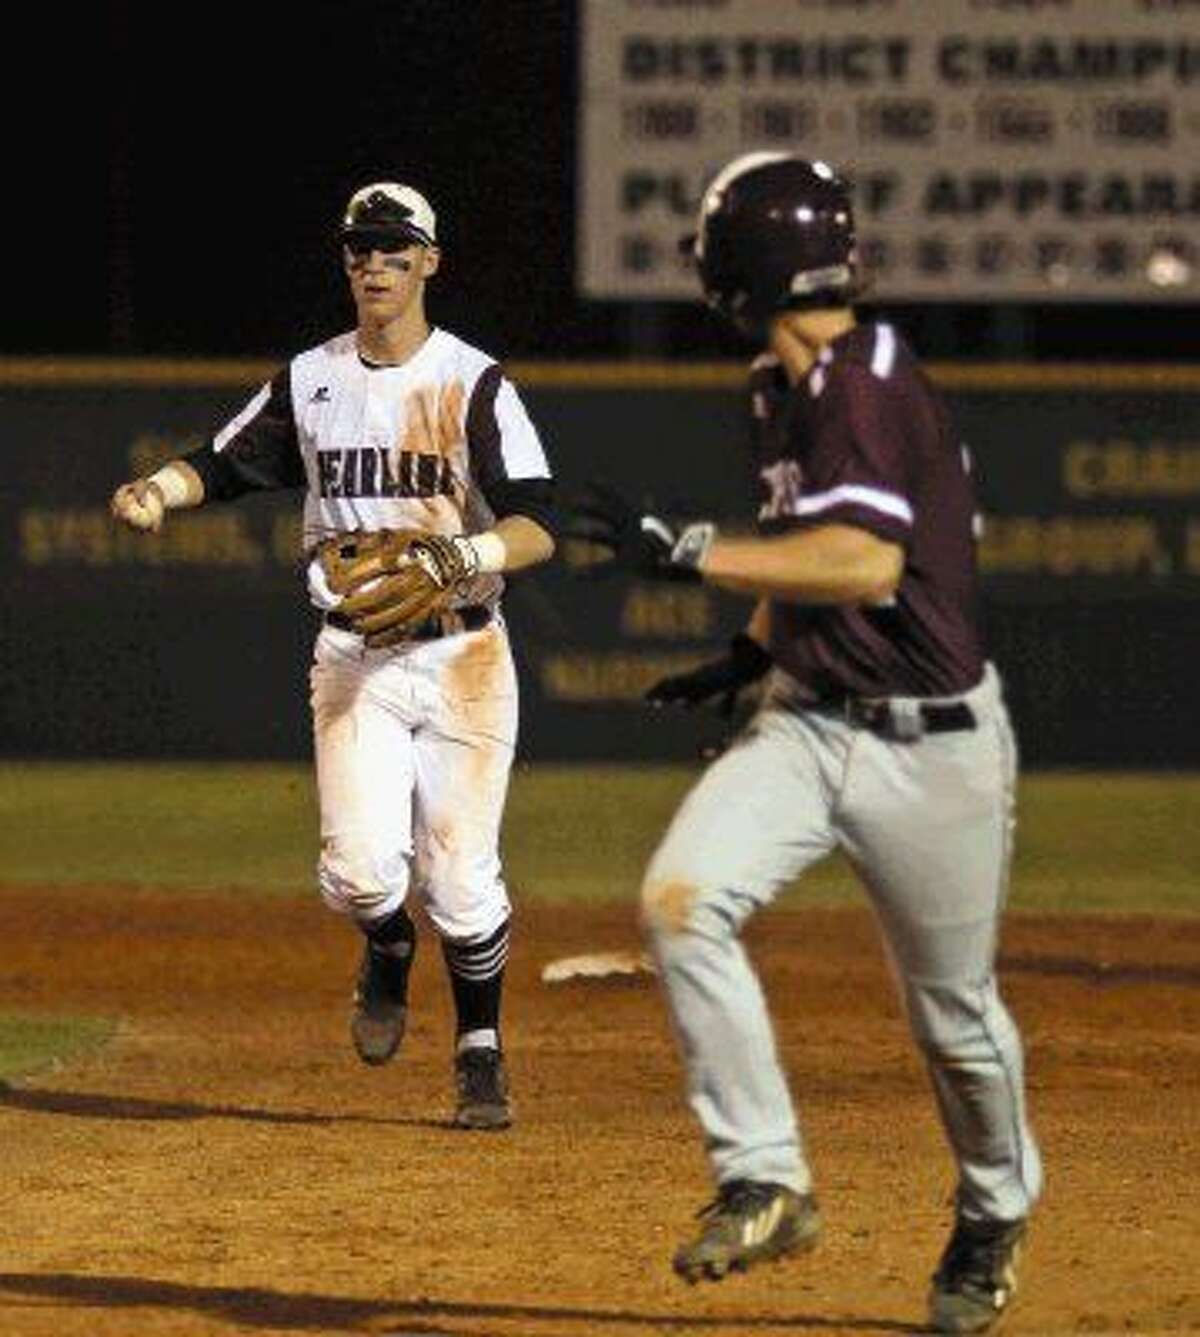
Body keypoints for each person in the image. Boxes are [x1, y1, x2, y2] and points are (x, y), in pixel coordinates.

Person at [620, 153, 1042, 1333]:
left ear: (740, 267)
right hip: (807, 719)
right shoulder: (781, 381)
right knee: (679, 900)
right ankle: (765, 1175)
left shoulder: (865, 382)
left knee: (953, 1018)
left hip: (932, 745)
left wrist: (685, 550)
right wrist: (753, 652)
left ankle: (994, 1210)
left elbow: (861, 560)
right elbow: (802, 549)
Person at [110, 180, 556, 1131]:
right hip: (355, 657)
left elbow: (539, 526)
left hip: (465, 655)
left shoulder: (472, 381)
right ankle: (387, 946)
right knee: (360, 874)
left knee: (462, 875)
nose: (376, 265)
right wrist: (159, 488)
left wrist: (459, 554)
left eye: (397, 250)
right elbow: (224, 461)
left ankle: (480, 1050)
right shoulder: (313, 378)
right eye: (362, 250)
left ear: (431, 261)